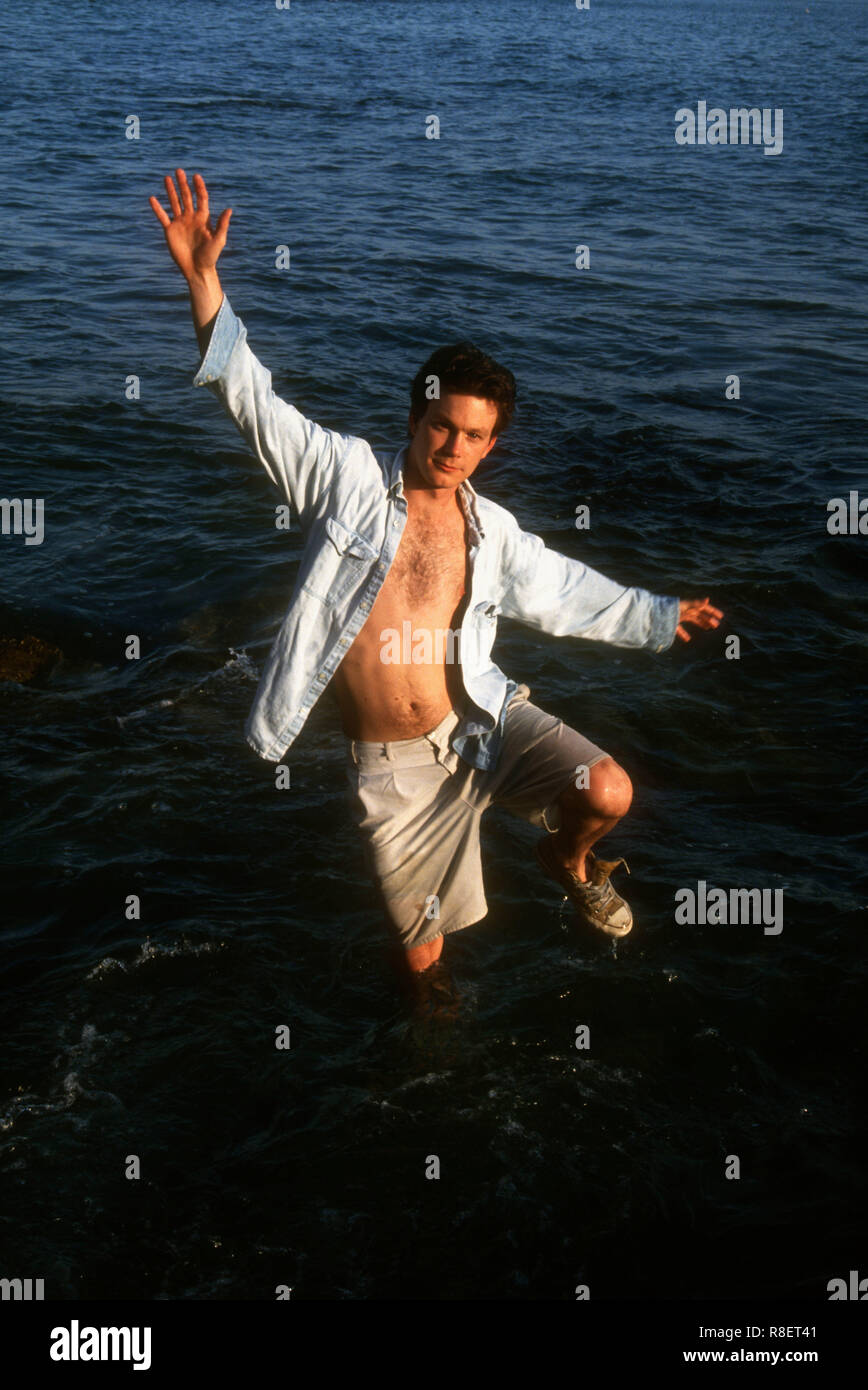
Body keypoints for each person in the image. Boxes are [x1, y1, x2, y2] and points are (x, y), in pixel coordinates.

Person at [149, 168, 724, 1004]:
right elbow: (254, 402)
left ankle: (563, 859)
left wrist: (660, 614)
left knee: (608, 789)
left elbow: (568, 589)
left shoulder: (493, 531)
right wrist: (205, 281)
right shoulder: (343, 476)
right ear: (415, 419)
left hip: (484, 723)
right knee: (426, 966)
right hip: (396, 770)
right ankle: (429, 1057)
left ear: (492, 446)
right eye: (442, 427)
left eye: (474, 437)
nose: (454, 448)